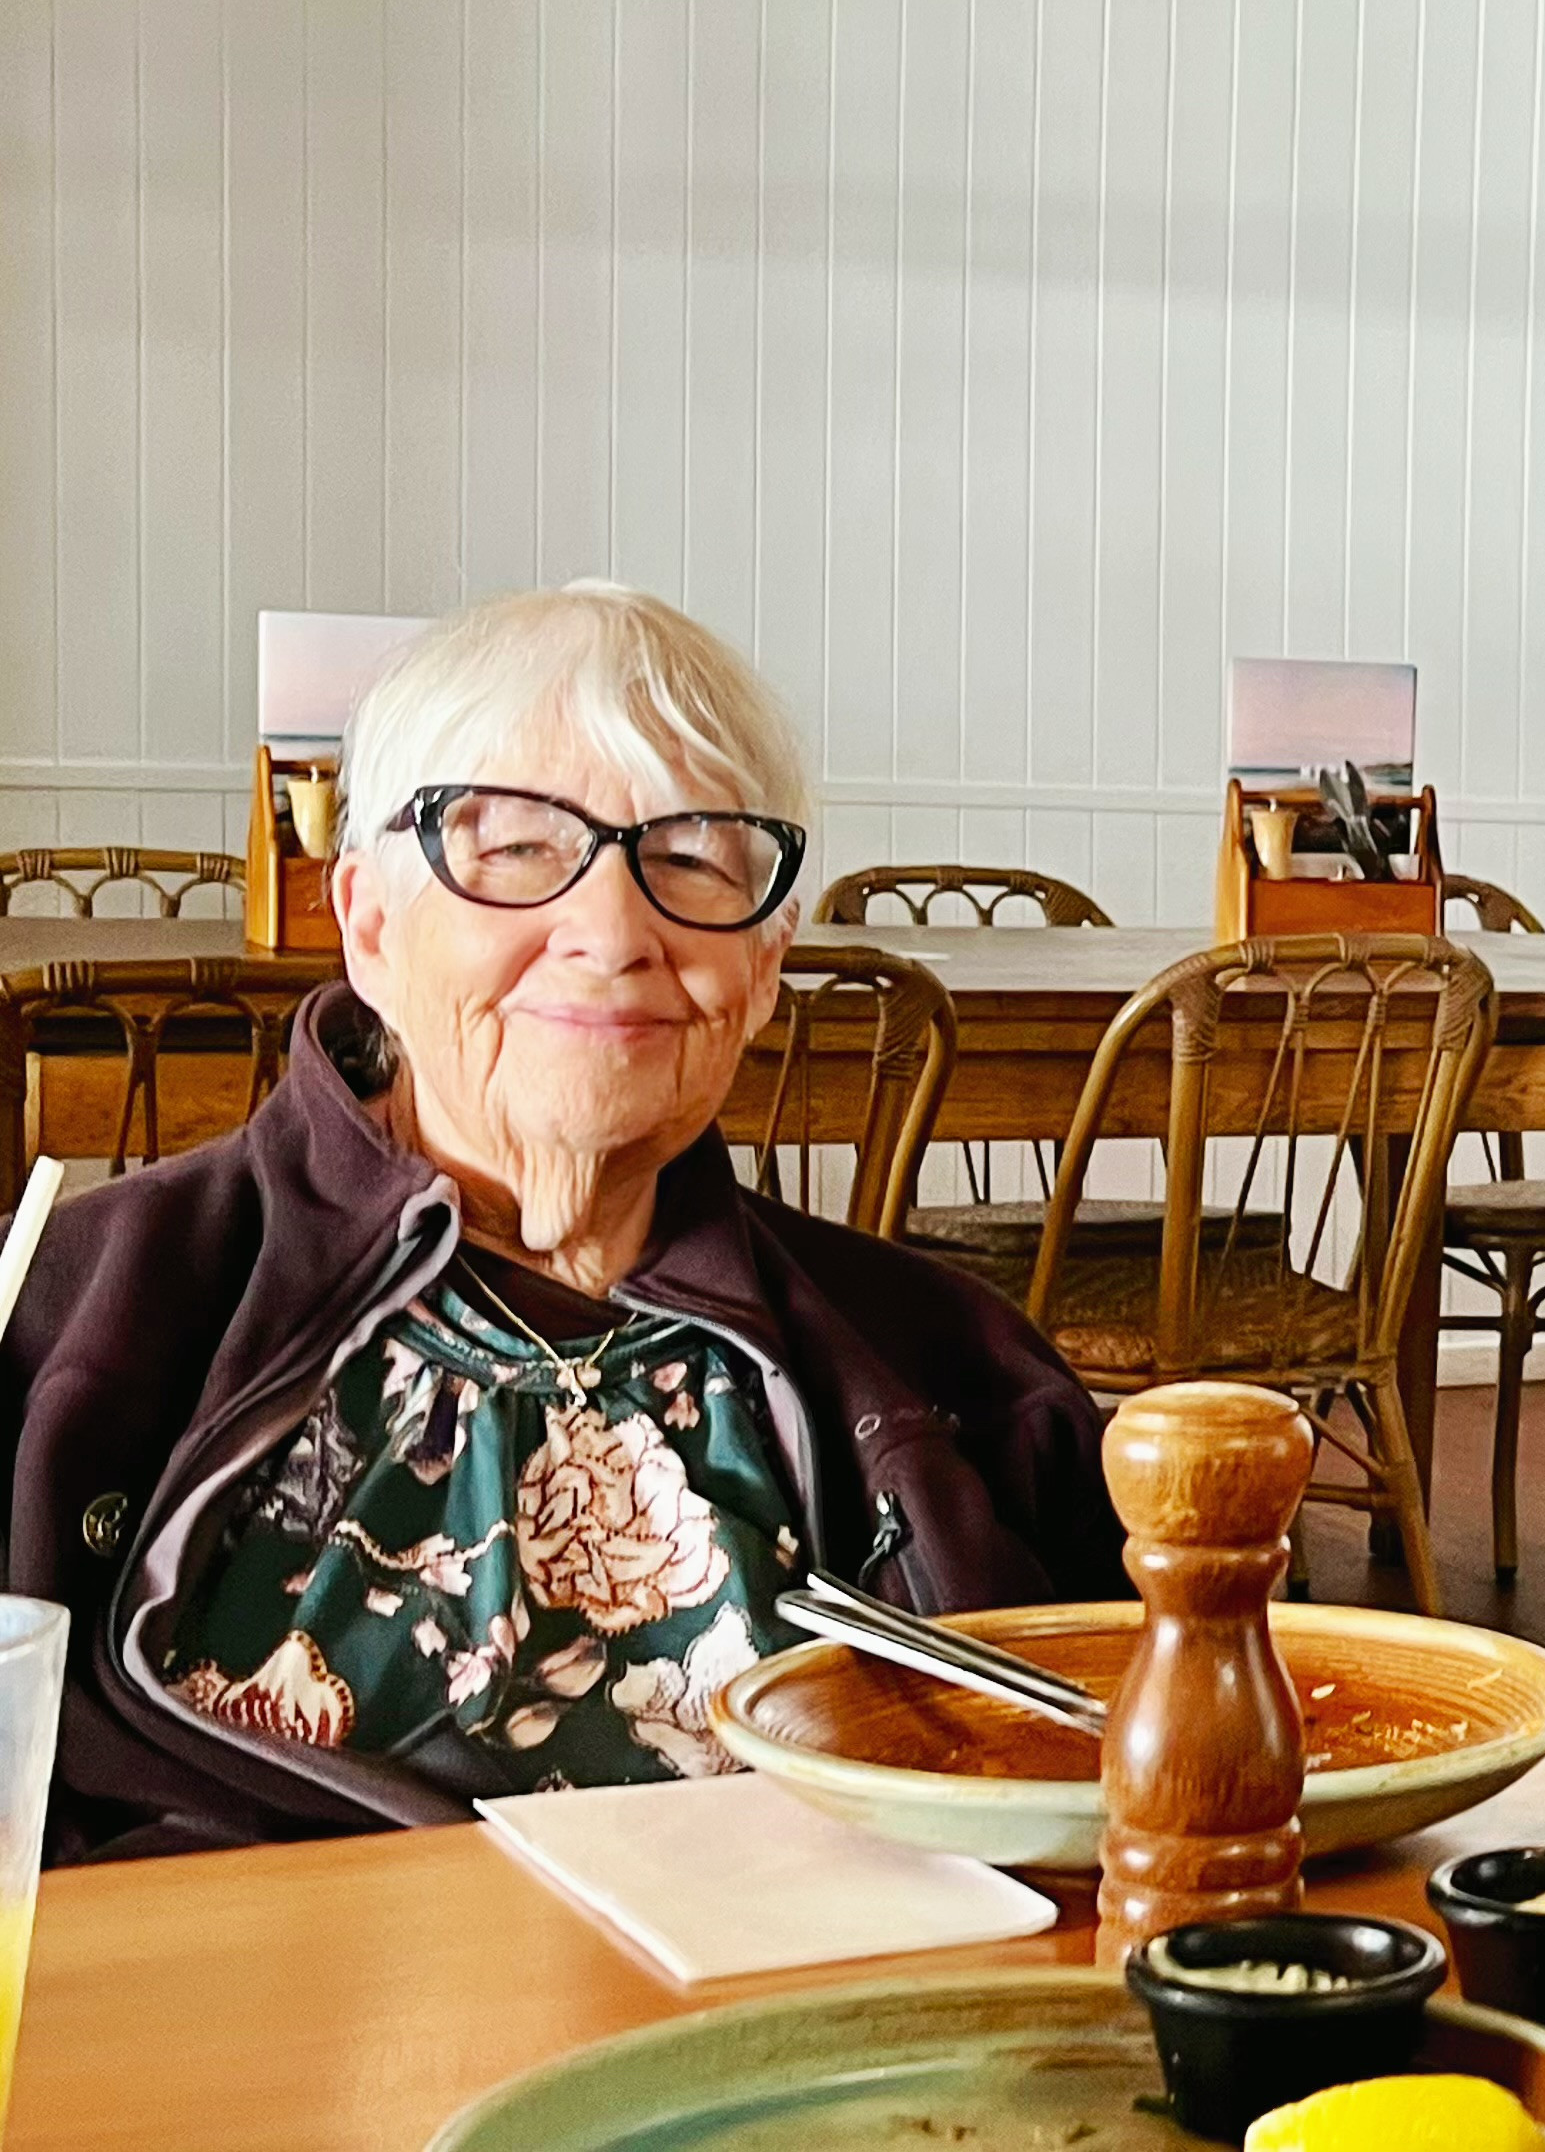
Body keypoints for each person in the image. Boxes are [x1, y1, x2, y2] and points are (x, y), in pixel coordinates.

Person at [1, 585, 1124, 1859]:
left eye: (695, 856)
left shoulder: (961, 1375)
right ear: (368, 920)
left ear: (763, 966)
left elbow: (1147, 1794)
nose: (611, 931)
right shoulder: (72, 1316)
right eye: (516, 845)